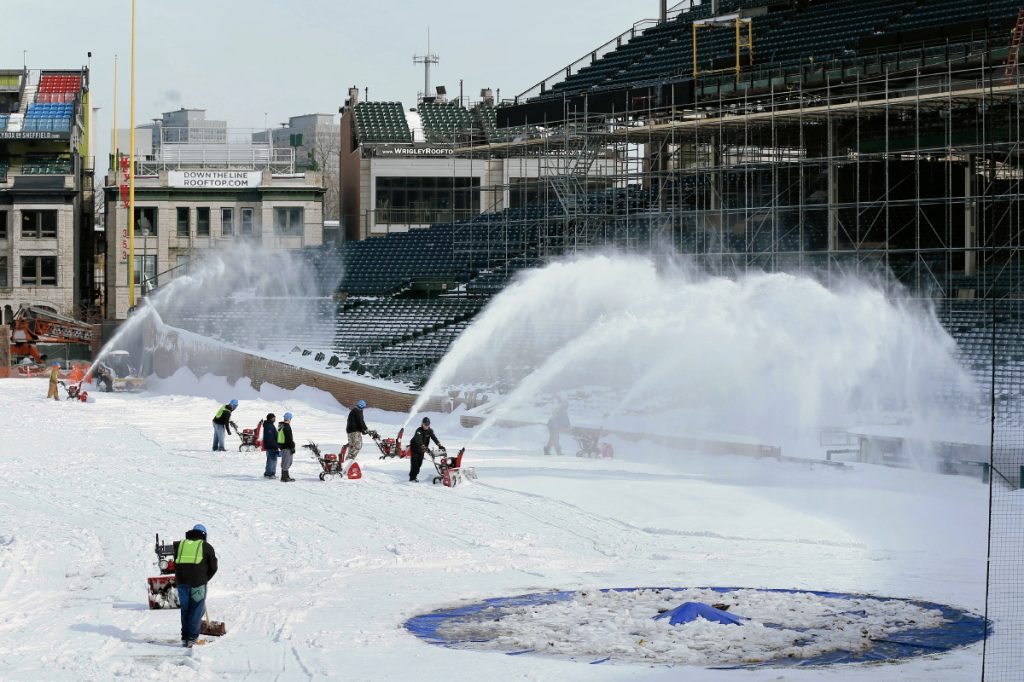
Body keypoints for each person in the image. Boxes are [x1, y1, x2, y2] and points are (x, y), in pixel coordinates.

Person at [173, 523, 218, 648]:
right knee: (196, 609)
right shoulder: (206, 546)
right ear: (204, 535)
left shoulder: (180, 545)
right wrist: (204, 579)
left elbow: (176, 563)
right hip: (198, 583)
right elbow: (213, 567)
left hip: (181, 582)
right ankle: (192, 637)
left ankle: (185, 637)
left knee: (186, 609)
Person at [408, 417, 442, 483]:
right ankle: (412, 478)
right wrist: (422, 446)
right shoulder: (419, 431)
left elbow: (434, 437)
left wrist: (439, 444)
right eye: (425, 424)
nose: (426, 426)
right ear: (422, 424)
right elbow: (418, 440)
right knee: (414, 463)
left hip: (422, 449)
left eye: (428, 425)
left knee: (419, 463)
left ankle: (415, 474)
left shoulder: (430, 431)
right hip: (415, 448)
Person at [278, 412, 296, 482]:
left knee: (286, 461)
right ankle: (284, 477)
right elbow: (289, 438)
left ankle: (286, 476)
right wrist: (292, 447)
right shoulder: (287, 426)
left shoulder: (281, 426)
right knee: (287, 462)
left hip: (282, 446)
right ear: (290, 418)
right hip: (287, 447)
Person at [262, 413, 280, 479]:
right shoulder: (268, 426)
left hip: (273, 445)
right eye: (274, 417)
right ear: (271, 418)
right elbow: (270, 438)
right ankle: (269, 474)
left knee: (273, 459)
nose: (275, 419)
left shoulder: (270, 425)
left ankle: (271, 473)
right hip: (271, 446)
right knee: (271, 460)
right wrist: (274, 446)